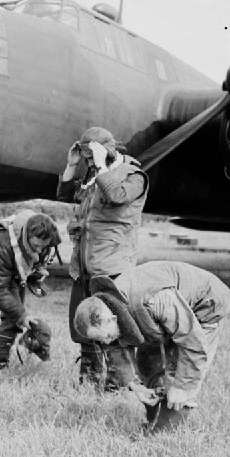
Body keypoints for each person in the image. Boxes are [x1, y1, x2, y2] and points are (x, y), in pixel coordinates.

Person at [74, 261, 230, 429]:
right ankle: (155, 417)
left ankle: (168, 431)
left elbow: (191, 339)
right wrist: (135, 386)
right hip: (161, 320)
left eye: (108, 336)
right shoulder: (108, 307)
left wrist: (181, 387)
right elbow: (116, 348)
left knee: (180, 374)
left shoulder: (152, 300)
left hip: (203, 305)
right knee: (146, 361)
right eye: (102, 340)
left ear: (112, 319)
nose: (107, 342)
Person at [56, 127, 149, 387]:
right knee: (84, 324)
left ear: (106, 151)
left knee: (113, 329)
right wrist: (72, 167)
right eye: (85, 158)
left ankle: (116, 387)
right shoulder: (93, 176)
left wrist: (99, 165)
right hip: (84, 265)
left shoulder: (134, 176)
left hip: (113, 268)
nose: (88, 163)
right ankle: (89, 380)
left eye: (90, 157)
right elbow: (66, 196)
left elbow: (117, 197)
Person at [0, 210, 61, 370]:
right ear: (27, 235)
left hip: (15, 271)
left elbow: (38, 254)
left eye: (43, 247)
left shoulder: (42, 239)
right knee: (15, 315)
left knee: (16, 314)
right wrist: (21, 315)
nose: (39, 250)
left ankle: (10, 353)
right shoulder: (3, 242)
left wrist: (36, 271)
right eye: (37, 245)